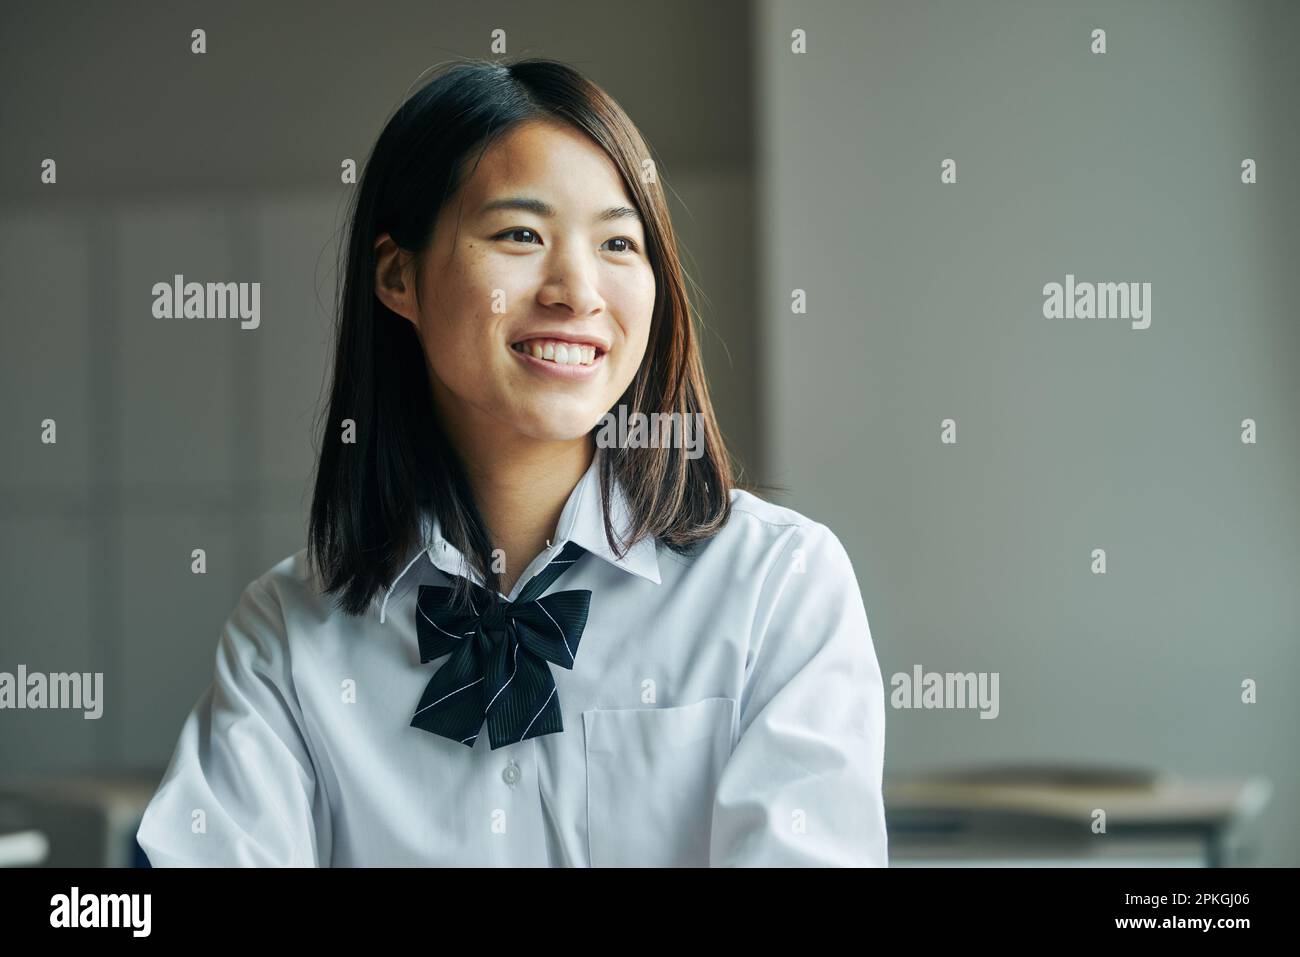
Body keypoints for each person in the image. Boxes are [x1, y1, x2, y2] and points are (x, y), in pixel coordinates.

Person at [136, 57, 887, 867]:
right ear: (399, 275)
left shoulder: (778, 585)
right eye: (521, 234)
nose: (577, 289)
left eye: (618, 243)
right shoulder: (289, 632)